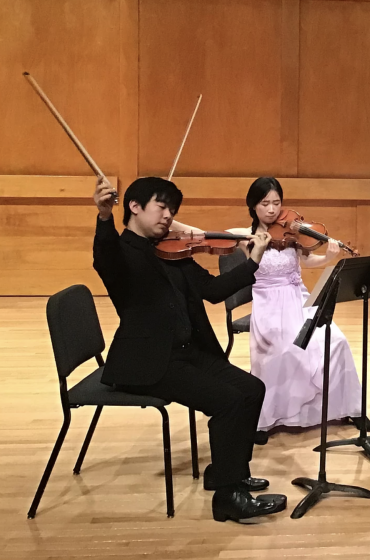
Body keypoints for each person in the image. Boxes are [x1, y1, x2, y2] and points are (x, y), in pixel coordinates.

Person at [92, 176, 286, 523]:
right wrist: (105, 216)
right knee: (227, 403)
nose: (168, 216)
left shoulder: (170, 252)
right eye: (161, 207)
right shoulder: (120, 254)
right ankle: (229, 499)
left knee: (252, 389)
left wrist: (252, 262)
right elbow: (104, 255)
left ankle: (226, 472)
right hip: (149, 361)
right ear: (134, 207)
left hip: (185, 351)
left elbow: (212, 290)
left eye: (172, 209)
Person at [171, 177, 364, 441]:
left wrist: (331, 255)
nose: (272, 210)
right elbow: (202, 233)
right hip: (269, 306)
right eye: (265, 204)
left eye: (276, 203)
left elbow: (310, 259)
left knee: (336, 341)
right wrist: (169, 221)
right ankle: (267, 419)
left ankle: (346, 408)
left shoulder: (293, 233)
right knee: (283, 351)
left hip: (299, 301)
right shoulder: (245, 235)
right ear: (253, 206)